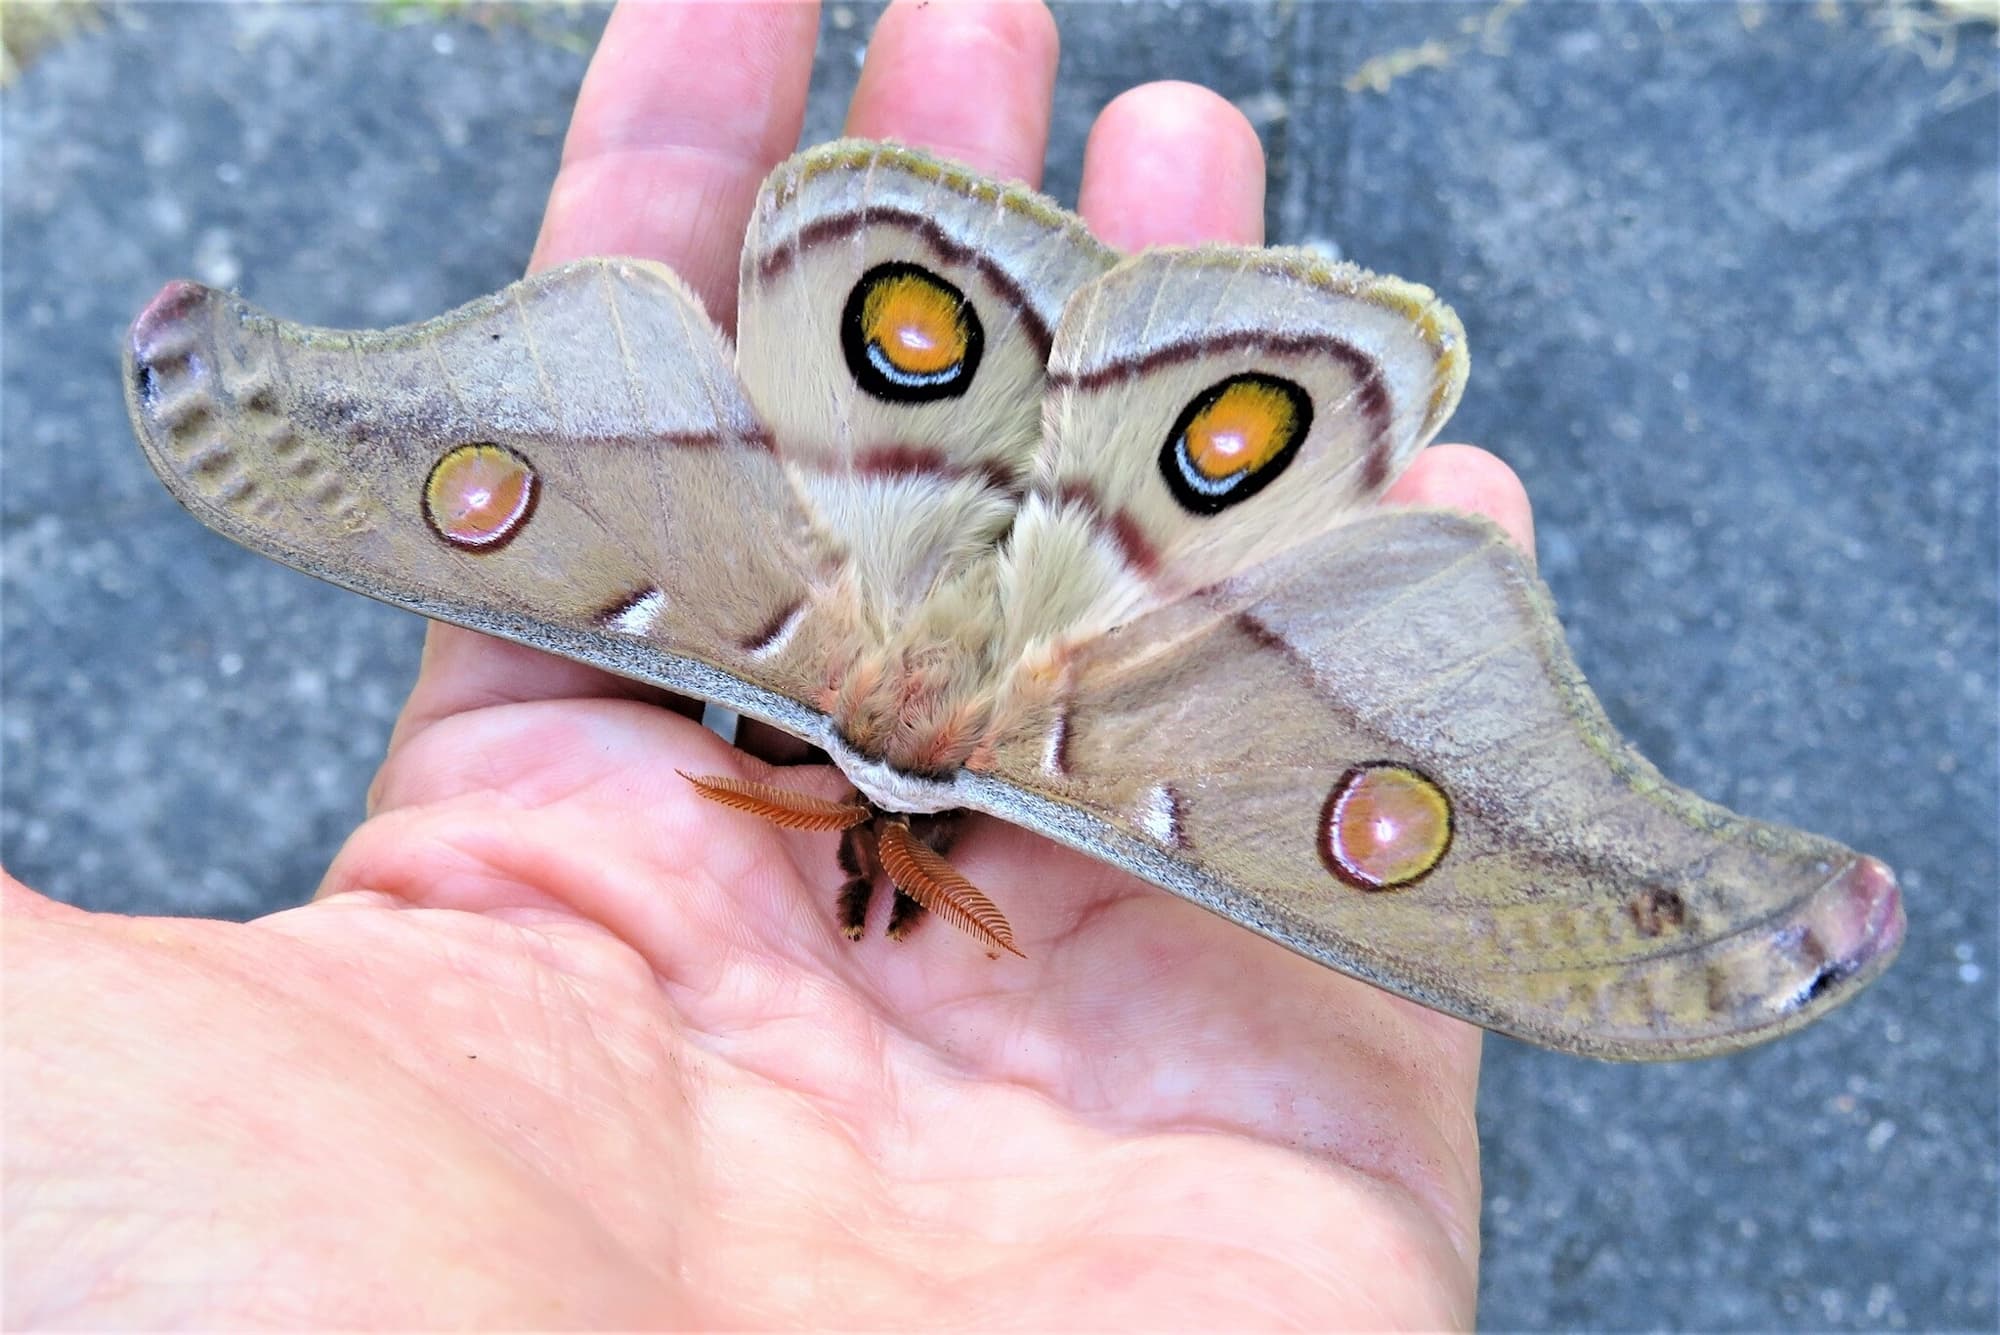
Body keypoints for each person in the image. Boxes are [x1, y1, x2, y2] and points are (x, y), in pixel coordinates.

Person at [5, 1, 1533, 1325]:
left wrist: (271, 426)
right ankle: (1164, 417)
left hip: (882, 480)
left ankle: (1013, 359)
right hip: (1102, 554)